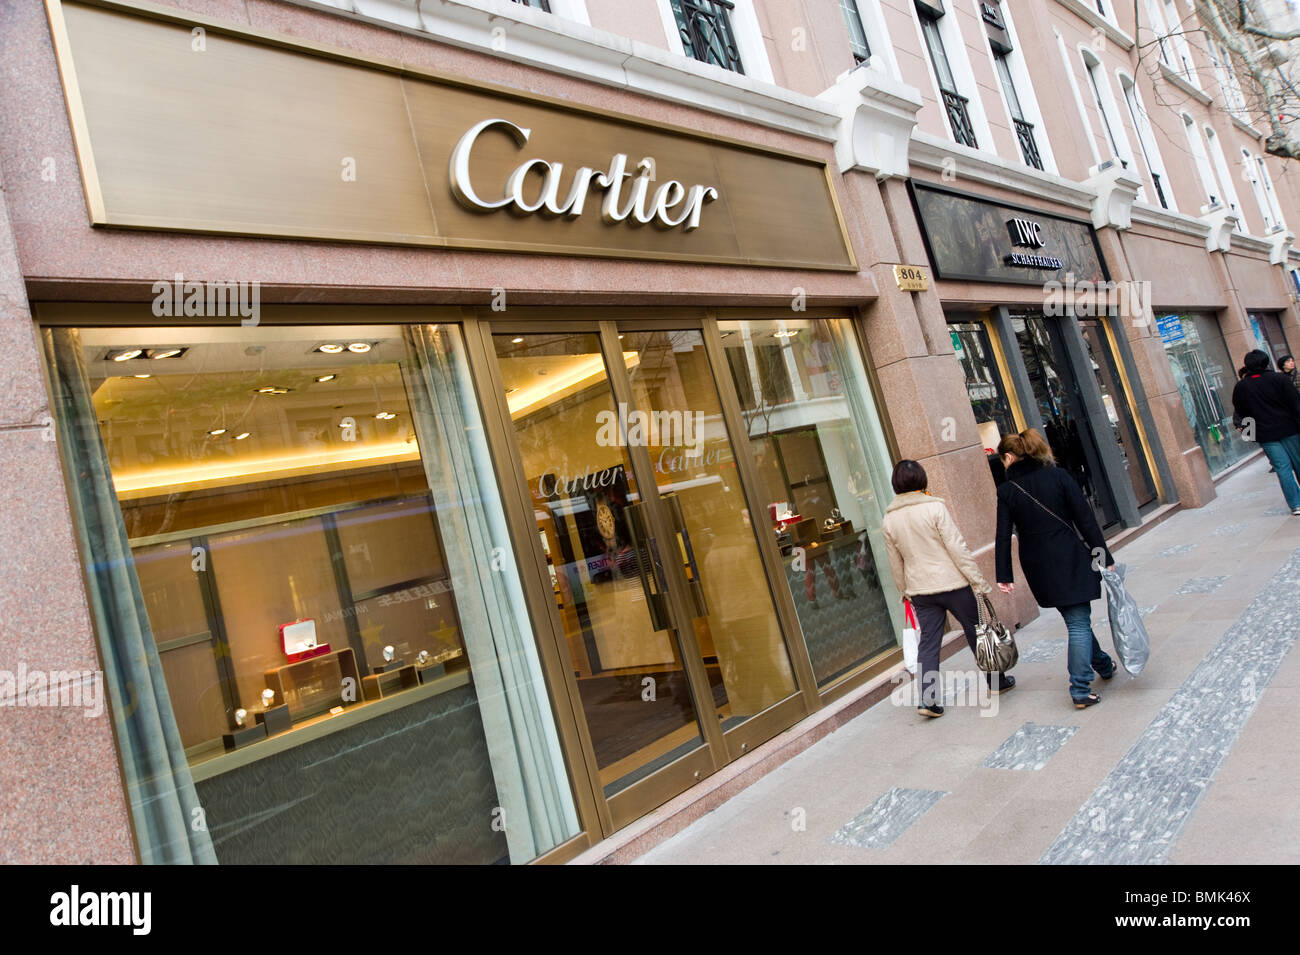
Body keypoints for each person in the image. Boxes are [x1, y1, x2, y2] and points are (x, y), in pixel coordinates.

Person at [994, 429, 1115, 709]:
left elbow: (1002, 535)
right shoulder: (1058, 476)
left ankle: (1103, 664)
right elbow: (1085, 519)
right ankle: (1081, 687)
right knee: (1078, 620)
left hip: (1038, 565)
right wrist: (1102, 555)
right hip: (1069, 557)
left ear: (1010, 457)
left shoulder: (1007, 491)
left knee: (1075, 618)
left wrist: (1004, 575)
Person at [883, 459, 1013, 719]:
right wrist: (977, 580)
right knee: (977, 631)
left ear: (896, 484)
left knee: (928, 644)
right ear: (922, 480)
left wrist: (905, 591)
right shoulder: (934, 508)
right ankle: (996, 681)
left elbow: (895, 563)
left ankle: (928, 700)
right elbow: (958, 548)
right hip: (952, 583)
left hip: (920, 590)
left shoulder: (889, 519)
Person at [1232, 348, 1300, 514]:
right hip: (1290, 429)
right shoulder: (1280, 379)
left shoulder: (1241, 386)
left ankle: (1296, 505)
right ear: (1266, 362)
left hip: (1265, 434)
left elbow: (1241, 411)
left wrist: (1252, 434)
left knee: (1282, 468)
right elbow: (1295, 404)